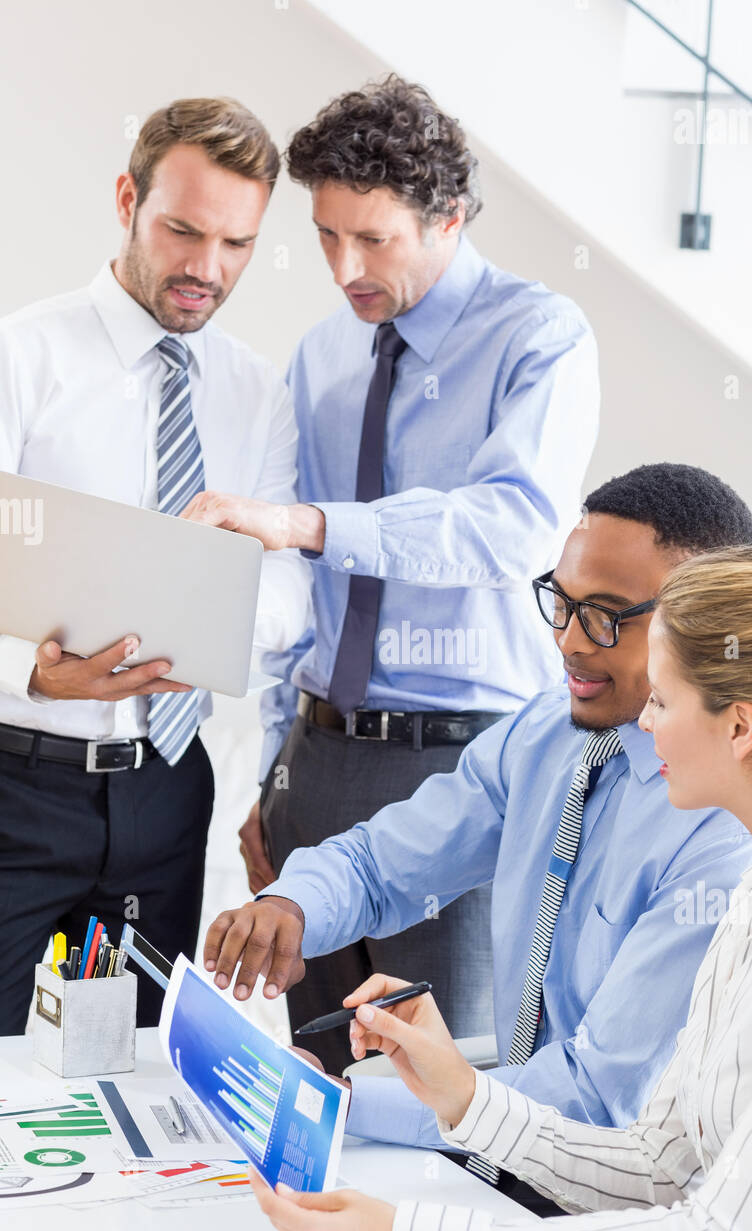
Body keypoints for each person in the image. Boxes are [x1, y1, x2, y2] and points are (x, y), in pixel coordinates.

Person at [249, 545, 752, 1231]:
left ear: (739, 728)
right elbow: (656, 1168)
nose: (644, 721)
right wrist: (464, 1099)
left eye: (663, 702)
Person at [180, 74, 600, 1072]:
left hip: (462, 769)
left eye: (373, 239)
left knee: (444, 1095)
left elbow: (510, 530)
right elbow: (314, 601)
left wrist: (304, 523)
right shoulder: (323, 354)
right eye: (326, 235)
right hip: (318, 764)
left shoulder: (538, 339)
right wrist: (279, 769)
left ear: (449, 216)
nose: (343, 265)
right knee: (319, 1083)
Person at [204, 465, 752, 1203]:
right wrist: (292, 906)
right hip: (508, 1157)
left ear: (705, 624)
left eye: (605, 615)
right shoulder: (543, 734)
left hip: (626, 1205)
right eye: (560, 603)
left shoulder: (724, 831)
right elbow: (384, 864)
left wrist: (344, 1101)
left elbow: (594, 1097)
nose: (568, 641)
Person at [0, 97, 309, 1032]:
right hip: (18, 778)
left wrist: (202, 634)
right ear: (128, 199)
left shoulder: (258, 392)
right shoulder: (23, 357)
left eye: (237, 244)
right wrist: (32, 671)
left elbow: (287, 591)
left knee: (132, 1058)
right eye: (182, 231)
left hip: (166, 784)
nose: (205, 270)